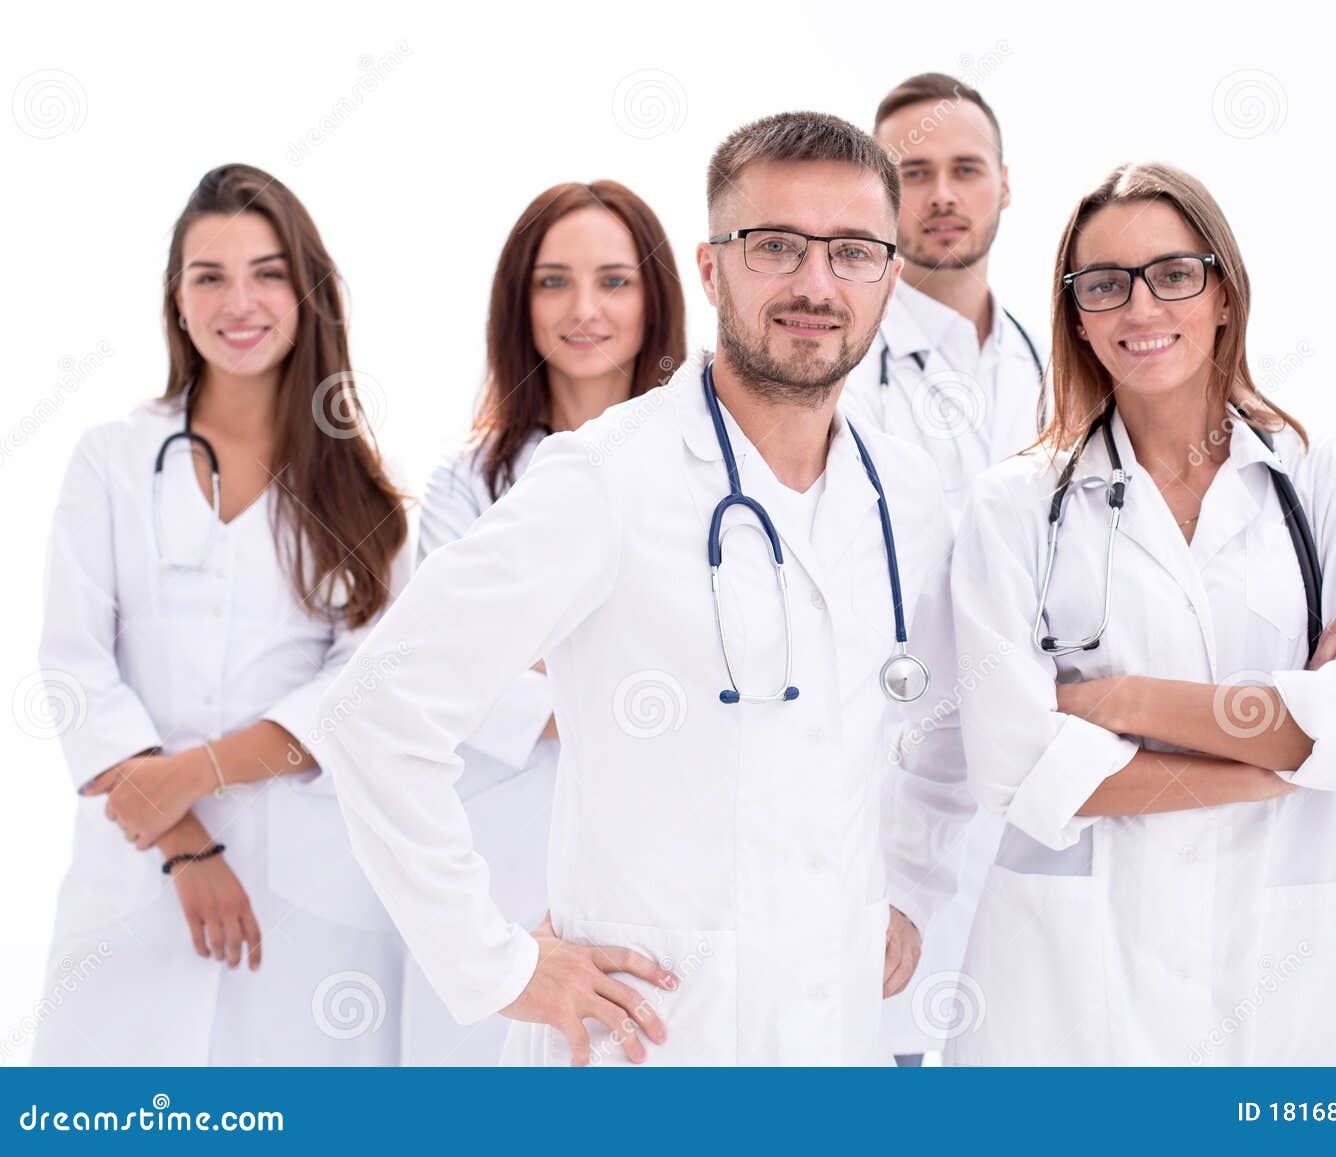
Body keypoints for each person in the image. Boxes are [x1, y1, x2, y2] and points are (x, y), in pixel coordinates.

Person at [317, 112, 971, 1066]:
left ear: (891, 274)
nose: (816, 284)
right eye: (776, 246)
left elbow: (945, 725)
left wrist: (911, 885)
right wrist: (497, 965)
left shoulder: (905, 493)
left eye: (854, 252)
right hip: (650, 1049)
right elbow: (373, 714)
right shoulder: (606, 477)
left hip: (833, 1042)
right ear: (710, 271)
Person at [946, 162, 1336, 1064]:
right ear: (1079, 318)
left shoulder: (1327, 480)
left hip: (1267, 966)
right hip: (1060, 995)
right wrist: (1274, 755)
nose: (1140, 307)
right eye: (1105, 285)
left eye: (1173, 274)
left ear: (1223, 295)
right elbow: (1015, 768)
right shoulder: (1012, 506)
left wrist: (1119, 702)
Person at [32, 164, 411, 1065]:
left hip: (309, 905)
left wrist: (198, 768)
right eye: (210, 276)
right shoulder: (113, 460)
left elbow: (361, 696)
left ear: (306, 291)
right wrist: (187, 846)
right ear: (177, 300)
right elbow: (74, 669)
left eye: (268, 272)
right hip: (137, 884)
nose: (239, 301)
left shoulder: (363, 495)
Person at [402, 179, 686, 1065]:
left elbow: (718, 671)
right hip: (496, 853)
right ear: (518, 305)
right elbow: (451, 682)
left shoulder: (705, 479)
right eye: (553, 282)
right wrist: (635, 683)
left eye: (613, 280)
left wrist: (549, 673)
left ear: (655, 300)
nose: (584, 309)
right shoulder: (465, 485)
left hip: (660, 856)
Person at [842, 71, 1046, 1063]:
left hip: (1039, 809)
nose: (941, 195)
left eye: (964, 169)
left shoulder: (1058, 369)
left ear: (1006, 184)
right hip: (885, 819)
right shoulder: (833, 372)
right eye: (910, 173)